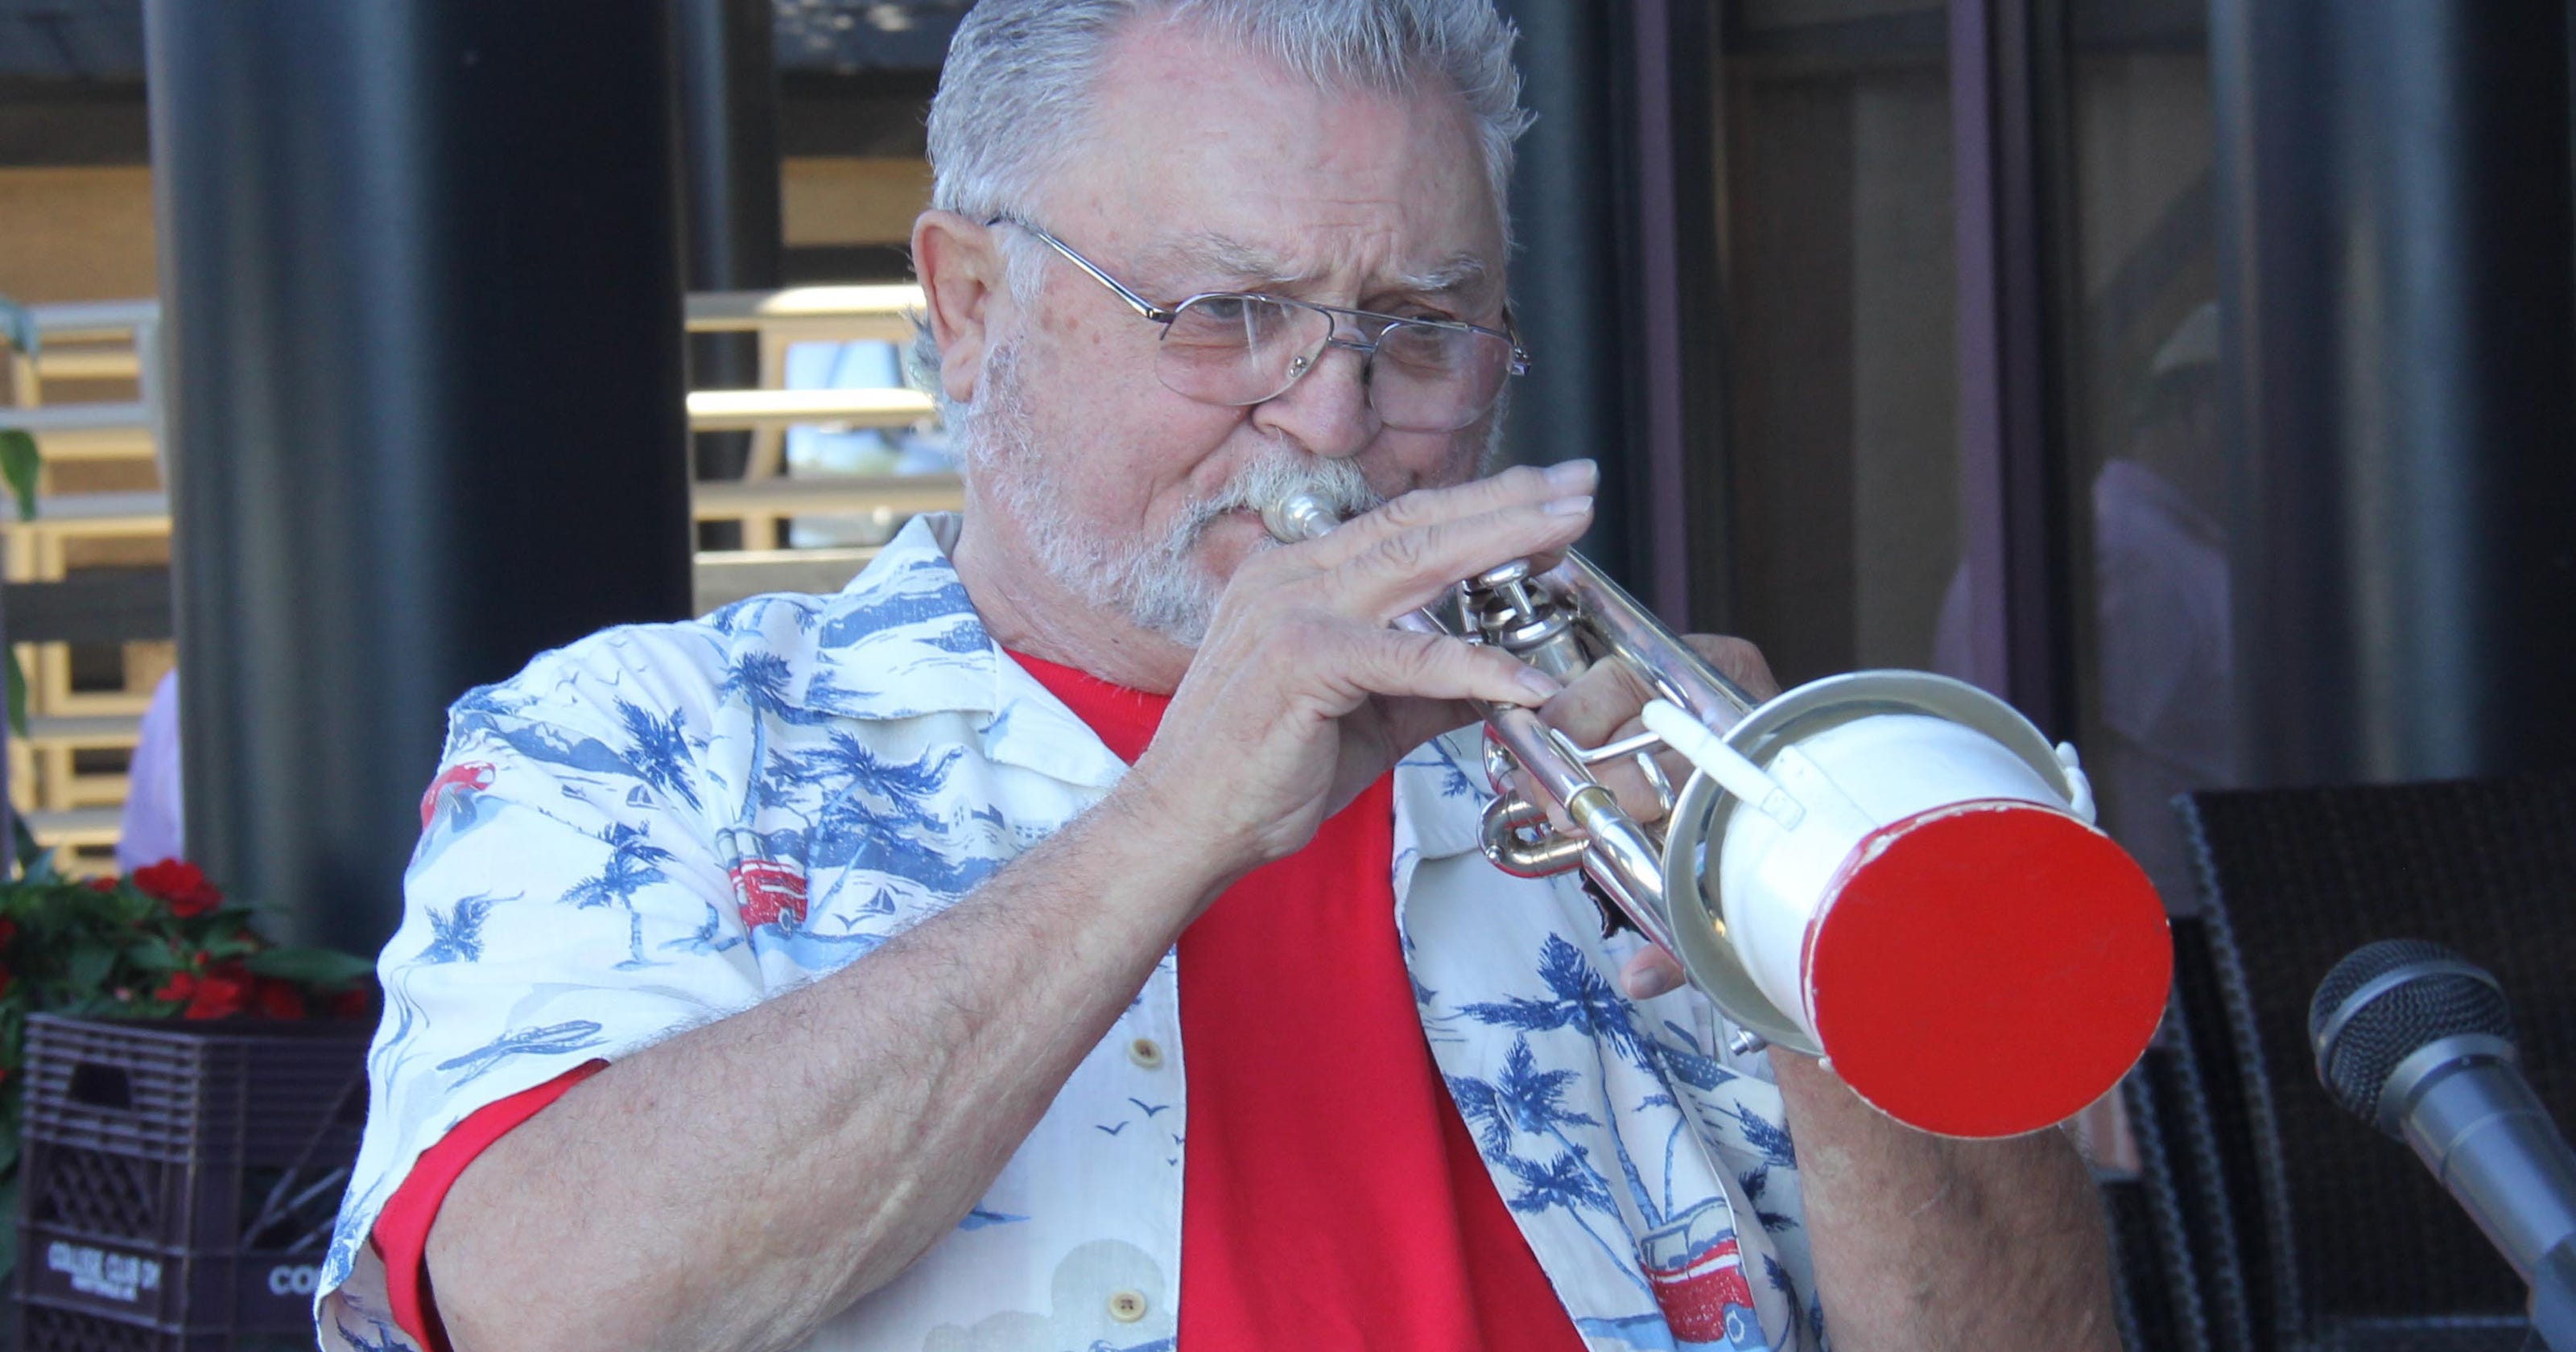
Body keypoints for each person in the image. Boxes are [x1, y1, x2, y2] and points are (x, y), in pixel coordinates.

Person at [316, 3, 2120, 1350]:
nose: (1333, 418)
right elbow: (527, 1297)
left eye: (1421, 327)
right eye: (1225, 315)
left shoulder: (1642, 771)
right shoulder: (638, 741)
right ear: (964, 305)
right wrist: (1175, 816)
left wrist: (1818, 949)